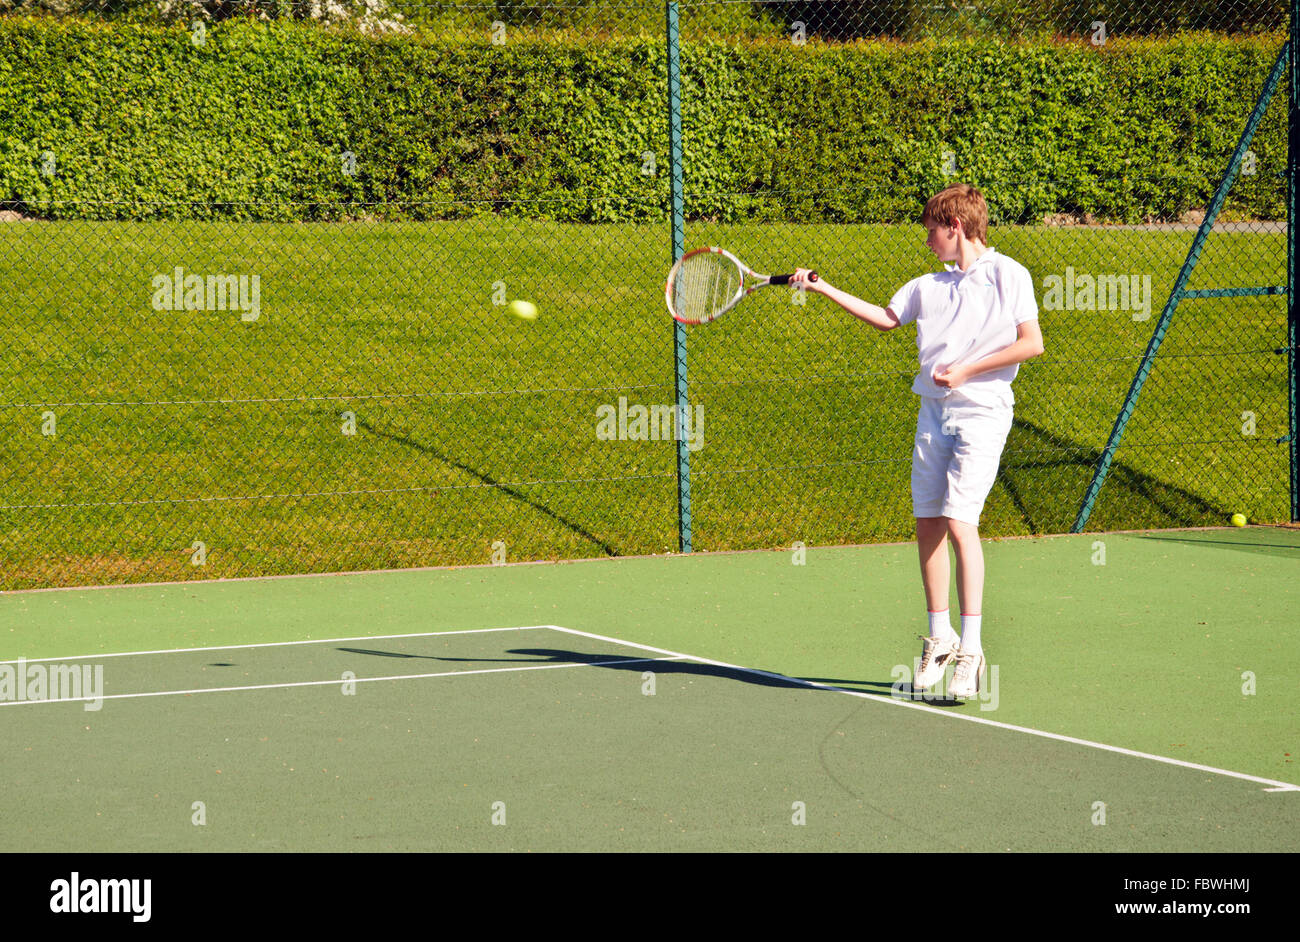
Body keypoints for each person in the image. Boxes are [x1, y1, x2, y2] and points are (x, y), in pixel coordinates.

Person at [791, 183, 1044, 698]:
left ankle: (971, 648)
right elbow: (886, 319)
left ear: (955, 227)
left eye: (932, 229)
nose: (926, 238)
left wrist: (968, 370)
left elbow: (1031, 343)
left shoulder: (1007, 274)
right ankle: (940, 635)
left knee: (959, 521)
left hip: (983, 412)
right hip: (933, 414)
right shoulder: (927, 286)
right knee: (928, 522)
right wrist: (823, 288)